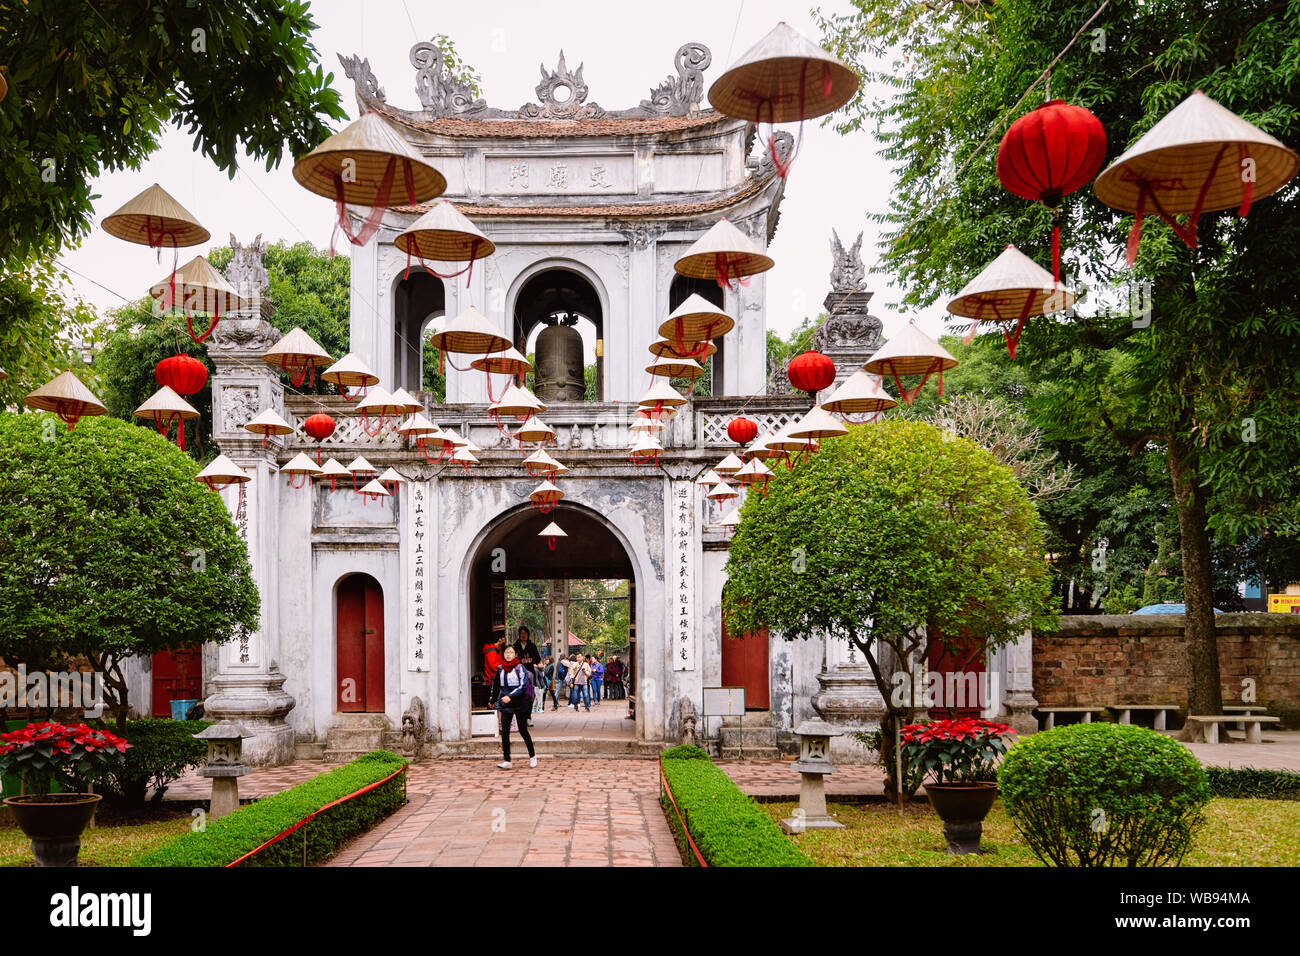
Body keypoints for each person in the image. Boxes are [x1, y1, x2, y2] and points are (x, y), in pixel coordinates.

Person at [491, 646, 536, 769]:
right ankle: (507, 760)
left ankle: (532, 756)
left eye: (511, 652)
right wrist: (492, 701)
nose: (508, 655)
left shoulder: (520, 668)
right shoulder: (500, 669)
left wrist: (510, 696)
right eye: (506, 652)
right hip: (506, 703)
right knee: (505, 732)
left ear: (515, 654)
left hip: (519, 702)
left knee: (523, 730)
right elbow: (496, 687)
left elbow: (523, 686)